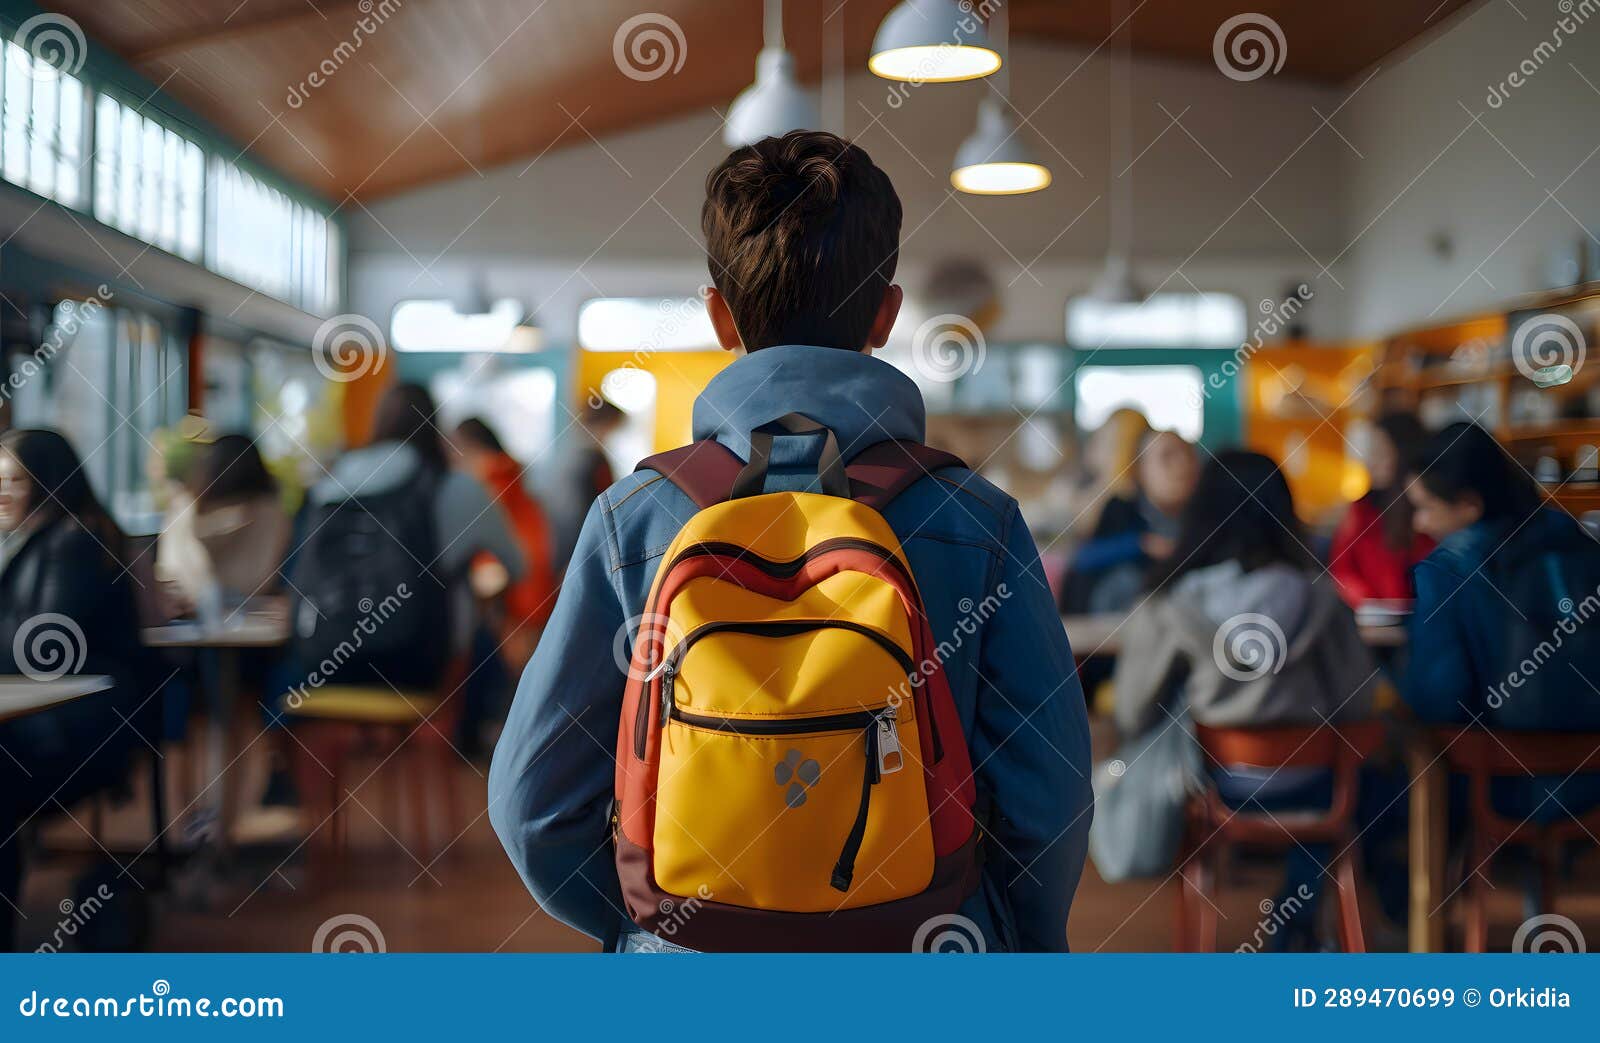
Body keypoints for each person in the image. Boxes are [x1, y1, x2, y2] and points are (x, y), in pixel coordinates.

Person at [489, 130, 1093, 952]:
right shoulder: (976, 519)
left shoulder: (634, 518)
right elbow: (1049, 798)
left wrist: (646, 932)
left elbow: (530, 803)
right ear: (887, 314)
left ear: (717, 316)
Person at [1111, 450, 1379, 948]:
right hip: (1319, 785)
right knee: (1375, 784)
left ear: (1201, 509)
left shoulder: (1173, 601)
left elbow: (1131, 711)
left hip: (1220, 789)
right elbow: (1359, 703)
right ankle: (1299, 923)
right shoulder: (1323, 595)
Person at [1404, 422, 1600, 814]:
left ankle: (1429, 874)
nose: (1418, 523)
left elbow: (1440, 699)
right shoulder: (1580, 544)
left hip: (1500, 784)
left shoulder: (1446, 571)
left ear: (1470, 505)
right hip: (1591, 780)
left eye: (1425, 507)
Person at [0, 430, 148, 947]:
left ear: (46, 481)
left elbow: (41, 649)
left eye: (13, 480)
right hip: (44, 722)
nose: (1, 492)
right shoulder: (27, 541)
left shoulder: (73, 542)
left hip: (79, 731)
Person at [1058, 428, 1198, 615]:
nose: (1182, 465)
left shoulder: (1204, 514)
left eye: (1188, 455)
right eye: (1167, 457)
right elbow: (1082, 558)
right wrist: (1141, 544)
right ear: (1141, 470)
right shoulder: (1121, 509)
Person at [157, 433, 291, 612]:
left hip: (185, 621)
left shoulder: (181, 513)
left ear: (207, 471)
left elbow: (169, 575)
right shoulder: (272, 514)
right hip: (256, 623)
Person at [1328, 412, 1434, 607]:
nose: (1370, 462)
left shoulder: (1427, 510)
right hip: (1372, 620)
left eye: (1381, 452)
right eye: (1370, 452)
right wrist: (1368, 603)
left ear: (1405, 455)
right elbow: (1342, 572)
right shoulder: (1360, 510)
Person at [544, 399, 624, 574]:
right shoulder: (594, 461)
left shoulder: (567, 456)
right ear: (606, 425)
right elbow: (600, 510)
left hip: (561, 545)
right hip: (584, 549)